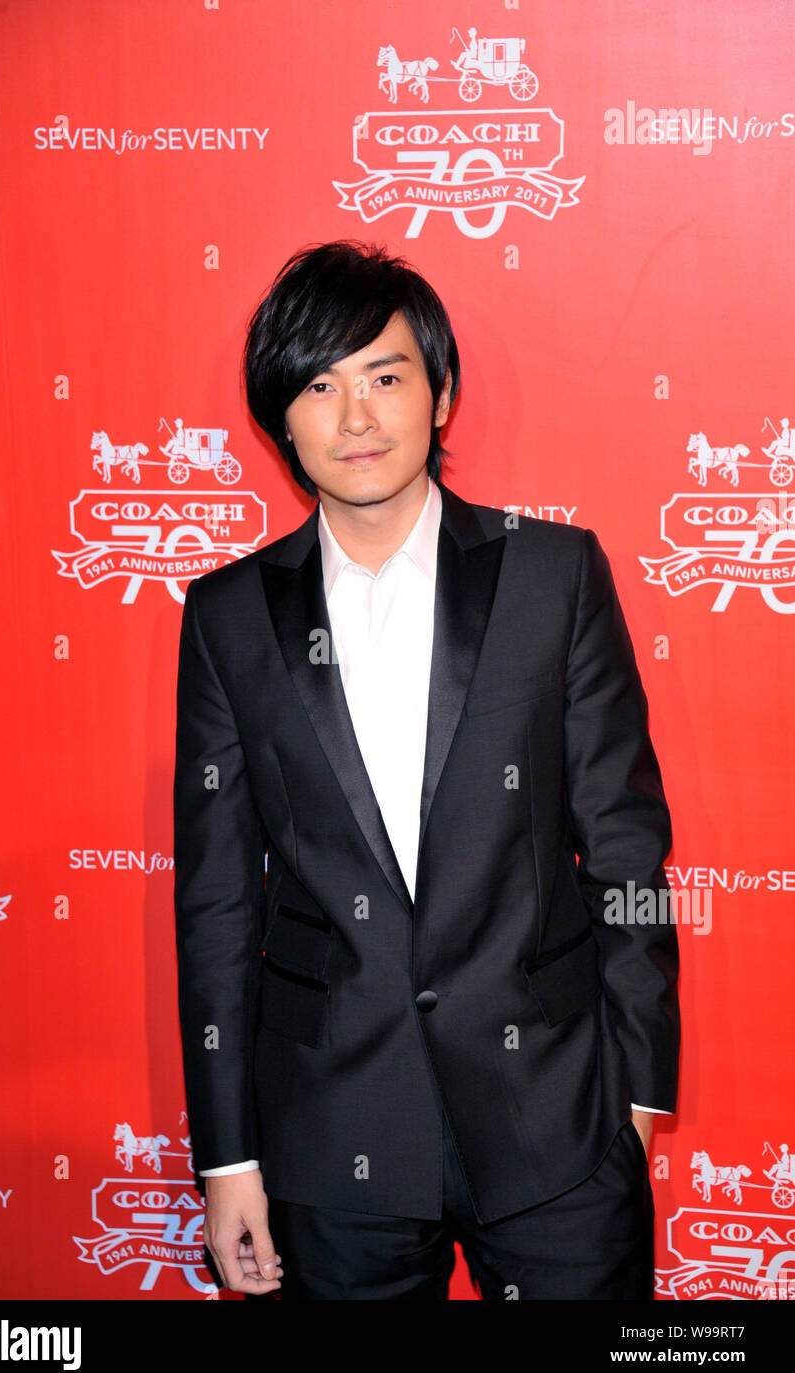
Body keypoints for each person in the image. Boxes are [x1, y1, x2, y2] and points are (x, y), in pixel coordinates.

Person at [173, 240, 679, 1300]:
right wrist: (227, 1157)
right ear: (281, 420)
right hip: (329, 1135)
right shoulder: (227, 617)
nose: (355, 418)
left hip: (556, 1122)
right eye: (319, 385)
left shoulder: (552, 577)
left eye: (384, 377)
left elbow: (624, 846)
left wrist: (634, 1092)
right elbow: (217, 900)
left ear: (439, 395)